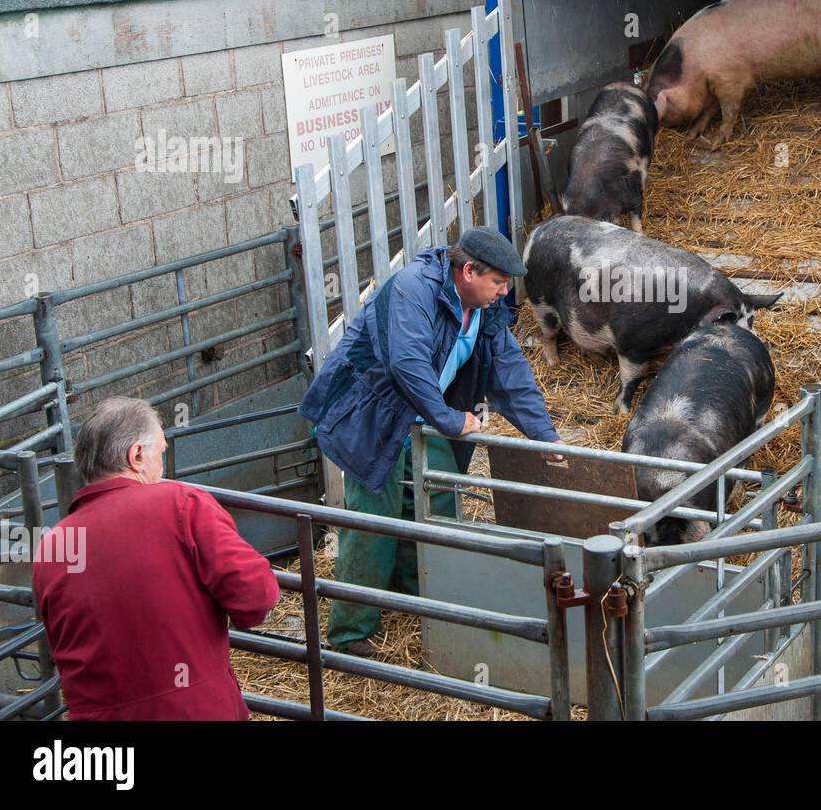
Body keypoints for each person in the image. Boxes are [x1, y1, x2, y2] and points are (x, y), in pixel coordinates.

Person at [299, 227, 562, 657]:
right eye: (497, 282)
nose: (502, 292)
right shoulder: (413, 290)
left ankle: (413, 588)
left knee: (437, 499)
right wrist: (449, 419)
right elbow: (407, 360)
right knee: (374, 519)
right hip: (373, 415)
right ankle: (350, 633)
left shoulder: (484, 310)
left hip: (426, 418)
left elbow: (510, 370)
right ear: (469, 271)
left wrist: (545, 435)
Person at [30, 396, 279, 721]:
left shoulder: (52, 547)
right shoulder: (182, 505)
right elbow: (255, 597)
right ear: (136, 455)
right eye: (161, 453)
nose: (163, 467)